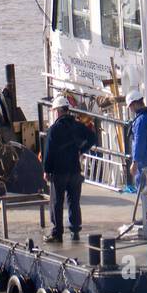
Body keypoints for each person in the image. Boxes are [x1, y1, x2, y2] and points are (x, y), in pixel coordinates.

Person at [42, 95, 96, 243]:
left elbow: (49, 152)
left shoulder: (54, 130)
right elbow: (92, 138)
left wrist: (46, 170)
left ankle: (57, 233)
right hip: (74, 170)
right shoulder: (77, 125)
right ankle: (75, 231)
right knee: (74, 201)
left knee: (56, 203)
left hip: (59, 172)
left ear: (58, 111)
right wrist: (82, 150)